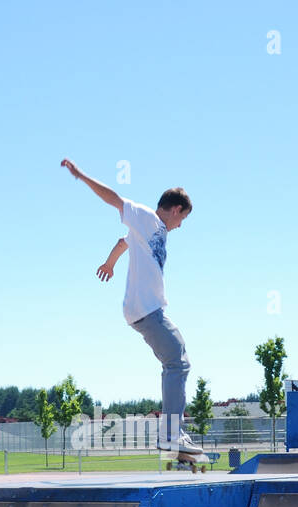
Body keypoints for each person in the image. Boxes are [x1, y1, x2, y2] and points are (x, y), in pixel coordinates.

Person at [61, 157, 202, 456]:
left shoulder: (155, 231)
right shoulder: (146, 217)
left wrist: (109, 264)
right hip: (146, 309)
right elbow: (115, 199)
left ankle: (172, 433)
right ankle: (170, 435)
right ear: (175, 209)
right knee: (178, 361)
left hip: (145, 310)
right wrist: (81, 175)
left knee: (175, 360)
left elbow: (123, 242)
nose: (180, 226)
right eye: (182, 219)